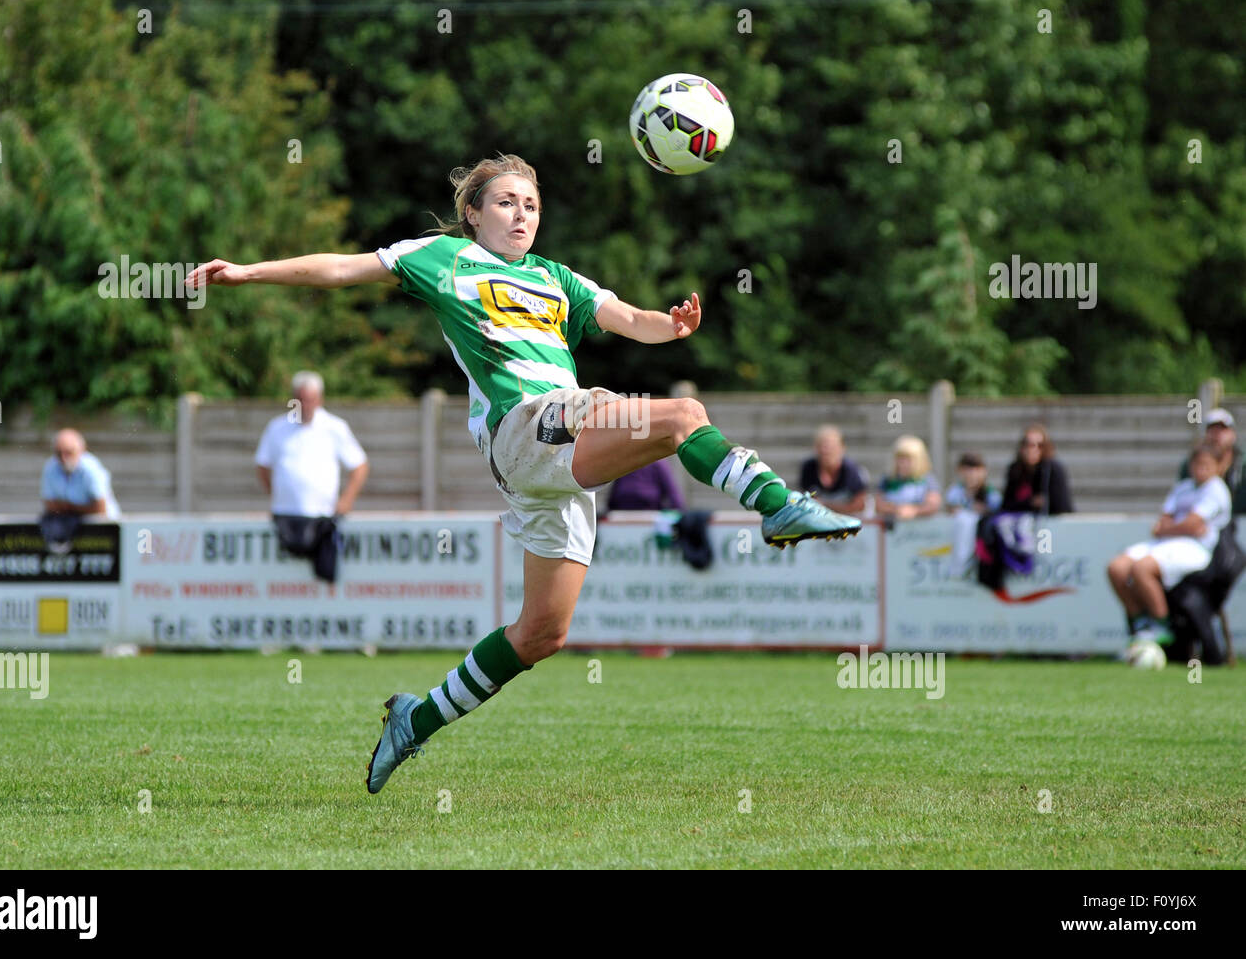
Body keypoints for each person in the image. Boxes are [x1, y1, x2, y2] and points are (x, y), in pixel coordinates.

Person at [185, 153, 861, 796]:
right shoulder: (442, 258)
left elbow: (628, 319)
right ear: (472, 214)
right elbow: (340, 268)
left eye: (531, 204)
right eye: (505, 202)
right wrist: (246, 272)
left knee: (543, 632)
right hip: (525, 427)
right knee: (682, 414)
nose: (521, 215)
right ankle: (775, 503)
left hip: (553, 458)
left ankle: (413, 720)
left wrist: (672, 326)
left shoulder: (555, 277)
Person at [1107, 443, 1232, 646]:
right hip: (1164, 543)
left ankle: (1161, 626)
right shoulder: (1182, 487)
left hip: (1194, 548)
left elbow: (1192, 524)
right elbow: (1165, 522)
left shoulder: (1216, 489)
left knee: (1142, 568)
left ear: (1217, 466)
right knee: (1116, 568)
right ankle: (1140, 623)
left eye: (1207, 465)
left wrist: (1171, 527)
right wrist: (1178, 527)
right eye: (1197, 464)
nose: (1201, 469)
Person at [253, 371, 369, 583]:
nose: (305, 405)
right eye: (301, 399)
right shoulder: (277, 427)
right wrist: (276, 494)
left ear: (320, 400)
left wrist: (346, 500)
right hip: (285, 516)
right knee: (282, 581)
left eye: (310, 400)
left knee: (324, 577)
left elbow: (359, 466)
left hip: (323, 517)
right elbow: (262, 465)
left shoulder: (335, 427)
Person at [39, 428, 120, 551]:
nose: (63, 458)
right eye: (59, 453)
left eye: (68, 452)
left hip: (105, 530)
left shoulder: (91, 469)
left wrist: (69, 508)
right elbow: (49, 505)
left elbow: (100, 509)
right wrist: (80, 509)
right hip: (70, 528)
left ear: (82, 450)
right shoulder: (50, 467)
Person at [1177, 408, 1245, 516]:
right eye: (1212, 430)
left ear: (1233, 434)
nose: (1217, 435)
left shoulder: (1242, 466)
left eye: (1222, 429)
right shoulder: (1190, 465)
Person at [1001, 424, 1073, 514]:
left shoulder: (1052, 470)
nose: (1032, 449)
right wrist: (1031, 502)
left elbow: (1062, 506)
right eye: (1028, 444)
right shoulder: (1016, 470)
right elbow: (1006, 505)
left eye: (1039, 445)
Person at [798, 424, 868, 515]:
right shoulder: (808, 468)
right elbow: (805, 500)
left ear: (841, 449)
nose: (825, 450)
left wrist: (825, 505)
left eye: (830, 447)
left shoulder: (852, 471)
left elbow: (860, 505)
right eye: (822, 446)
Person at [875, 435, 941, 521]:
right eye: (900, 458)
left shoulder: (927, 480)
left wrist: (915, 511)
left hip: (920, 530)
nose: (903, 463)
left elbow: (933, 504)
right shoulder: (888, 479)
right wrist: (898, 510)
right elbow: (879, 505)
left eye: (908, 459)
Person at [605, 458, 686, 512]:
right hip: (624, 512)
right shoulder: (626, 462)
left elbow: (672, 491)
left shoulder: (658, 463)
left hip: (648, 511)